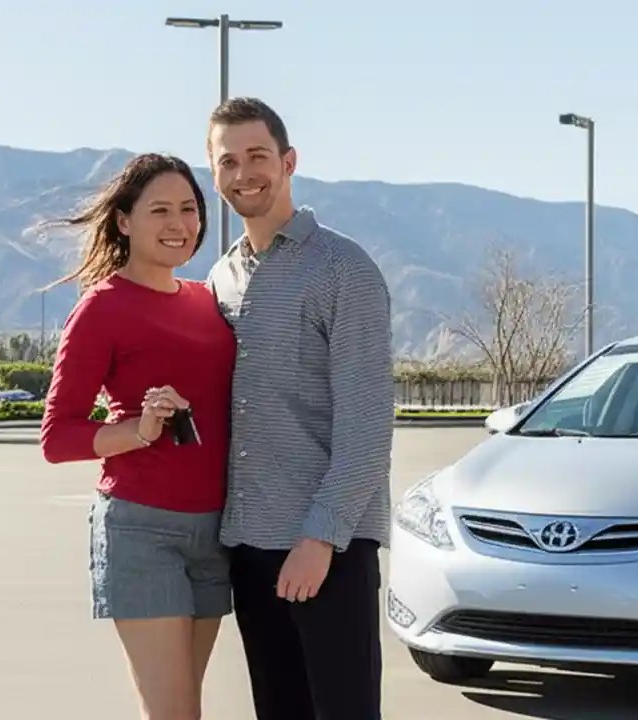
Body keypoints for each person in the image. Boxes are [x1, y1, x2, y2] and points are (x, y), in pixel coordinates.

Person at [205, 96, 394, 720]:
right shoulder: (221, 278)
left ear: (288, 162)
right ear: (216, 174)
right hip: (250, 548)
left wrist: (321, 536)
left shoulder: (344, 269)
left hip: (327, 550)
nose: (244, 172)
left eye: (257, 155)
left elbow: (368, 424)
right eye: (227, 161)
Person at [38, 153, 235, 720]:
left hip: (216, 530)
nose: (178, 224)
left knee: (184, 707)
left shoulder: (207, 300)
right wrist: (137, 430)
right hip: (142, 529)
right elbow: (58, 437)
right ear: (124, 221)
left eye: (188, 209)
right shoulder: (102, 307)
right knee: (174, 713)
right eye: (160, 211)